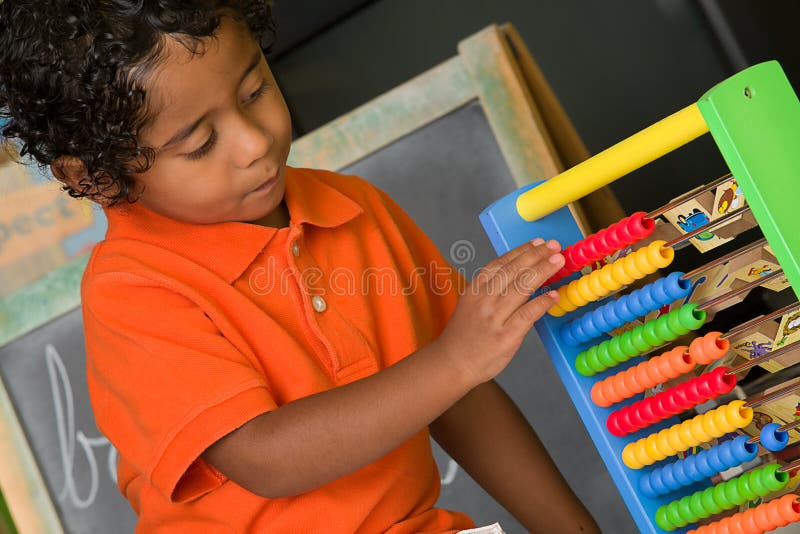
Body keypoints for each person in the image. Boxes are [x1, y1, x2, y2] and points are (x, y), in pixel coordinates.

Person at [0, 1, 600, 532]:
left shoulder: (357, 210)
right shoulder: (131, 289)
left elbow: (460, 397)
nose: (254, 142)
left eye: (255, 89)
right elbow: (265, 458)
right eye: (200, 143)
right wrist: (455, 360)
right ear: (95, 178)